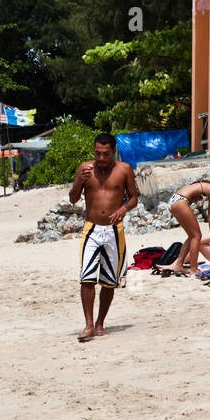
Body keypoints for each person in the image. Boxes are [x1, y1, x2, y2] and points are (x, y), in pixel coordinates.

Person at [69, 133, 139, 341]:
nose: (101, 158)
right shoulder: (85, 169)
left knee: (109, 281)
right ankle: (88, 325)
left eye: (105, 154)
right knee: (86, 277)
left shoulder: (124, 169)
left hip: (114, 231)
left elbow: (134, 197)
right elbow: (73, 198)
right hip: (91, 229)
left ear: (114, 151)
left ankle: (100, 324)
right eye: (97, 154)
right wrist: (78, 181)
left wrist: (124, 209)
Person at [153, 178, 210, 275]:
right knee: (197, 236)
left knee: (192, 236)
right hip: (181, 201)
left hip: (174, 200)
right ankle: (193, 269)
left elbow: (209, 215)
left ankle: (177, 264)